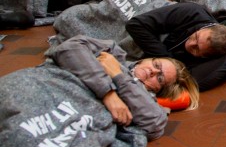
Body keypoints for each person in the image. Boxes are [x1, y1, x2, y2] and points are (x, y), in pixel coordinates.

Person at [37, 35, 196, 139]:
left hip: (61, 114)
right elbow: (70, 47)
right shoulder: (113, 52)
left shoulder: (145, 99)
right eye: (156, 64)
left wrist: (118, 75)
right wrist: (108, 93)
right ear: (146, 59)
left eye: (159, 78)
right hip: (45, 84)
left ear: (157, 90)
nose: (153, 71)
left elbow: (154, 123)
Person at [125, 2, 226, 92]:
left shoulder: (210, 58)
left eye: (197, 49)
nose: (190, 44)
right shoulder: (191, 12)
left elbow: (194, 83)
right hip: (140, 15)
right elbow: (135, 24)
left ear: (205, 57)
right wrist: (168, 60)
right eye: (196, 37)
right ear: (205, 28)